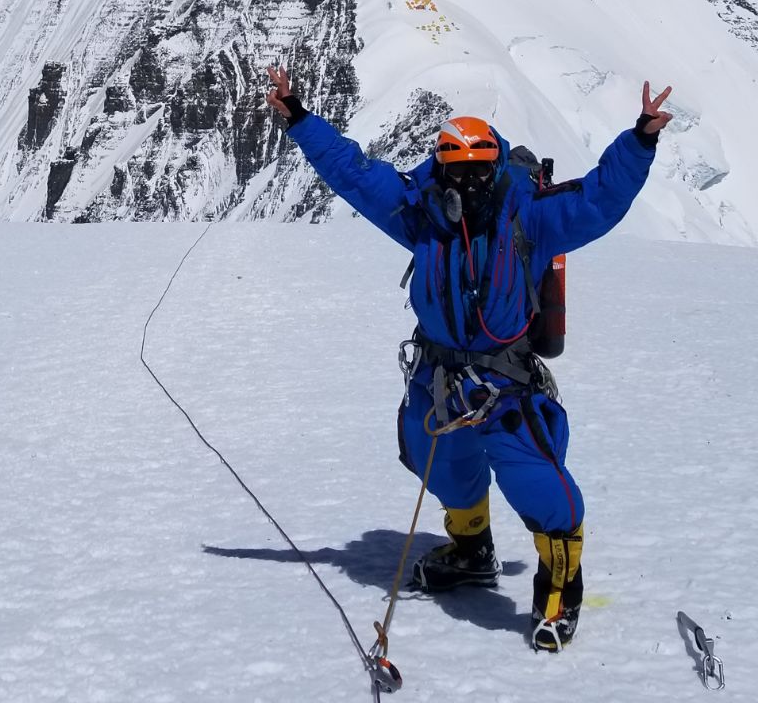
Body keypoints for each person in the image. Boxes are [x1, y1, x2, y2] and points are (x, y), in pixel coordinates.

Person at [265, 67, 673, 652]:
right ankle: (471, 547)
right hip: (439, 377)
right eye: (458, 170)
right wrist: (301, 119)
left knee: (534, 477)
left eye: (479, 168)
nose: (469, 182)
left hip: (504, 379)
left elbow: (599, 199)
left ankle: (560, 585)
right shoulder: (419, 215)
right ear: (442, 172)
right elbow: (352, 173)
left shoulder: (529, 217)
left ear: (496, 166)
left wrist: (640, 140)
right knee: (443, 460)